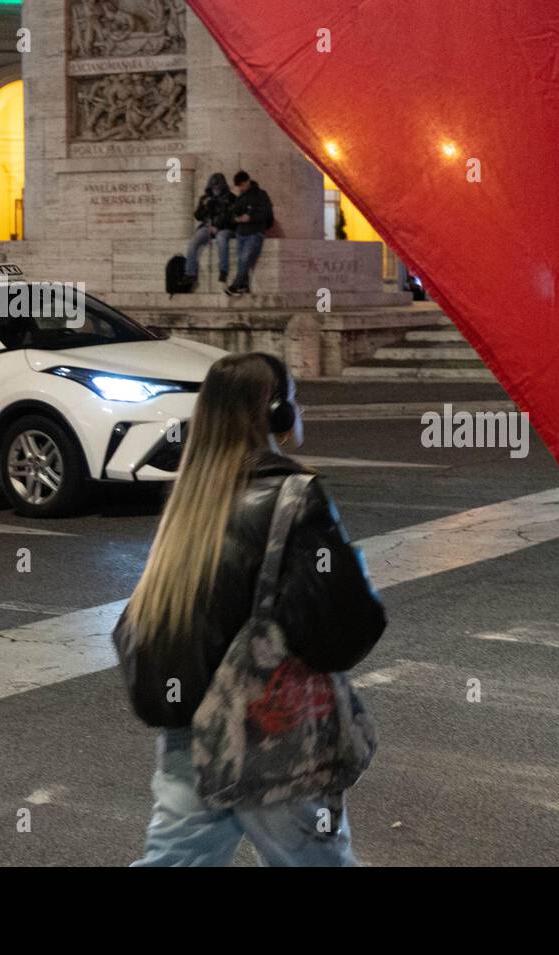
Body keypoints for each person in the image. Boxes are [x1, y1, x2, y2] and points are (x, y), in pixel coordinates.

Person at [114, 352, 386, 866]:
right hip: (274, 742)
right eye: (295, 400)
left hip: (191, 741)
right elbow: (343, 634)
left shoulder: (190, 499)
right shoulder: (294, 497)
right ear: (277, 413)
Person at [226, 170, 274, 296]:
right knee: (242, 261)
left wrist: (250, 217)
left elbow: (266, 214)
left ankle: (235, 285)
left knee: (244, 258)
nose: (241, 188)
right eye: (239, 186)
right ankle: (243, 286)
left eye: (242, 185)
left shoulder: (261, 195)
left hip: (255, 232)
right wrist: (236, 219)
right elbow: (231, 214)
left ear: (247, 181)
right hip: (241, 233)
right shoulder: (240, 197)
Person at [184, 172, 235, 287]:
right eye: (213, 187)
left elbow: (231, 218)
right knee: (193, 241)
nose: (215, 190)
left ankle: (223, 270)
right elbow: (197, 216)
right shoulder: (205, 198)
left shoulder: (231, 198)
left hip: (225, 228)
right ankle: (190, 273)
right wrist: (204, 206)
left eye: (218, 187)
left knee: (221, 238)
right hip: (207, 227)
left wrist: (218, 227)